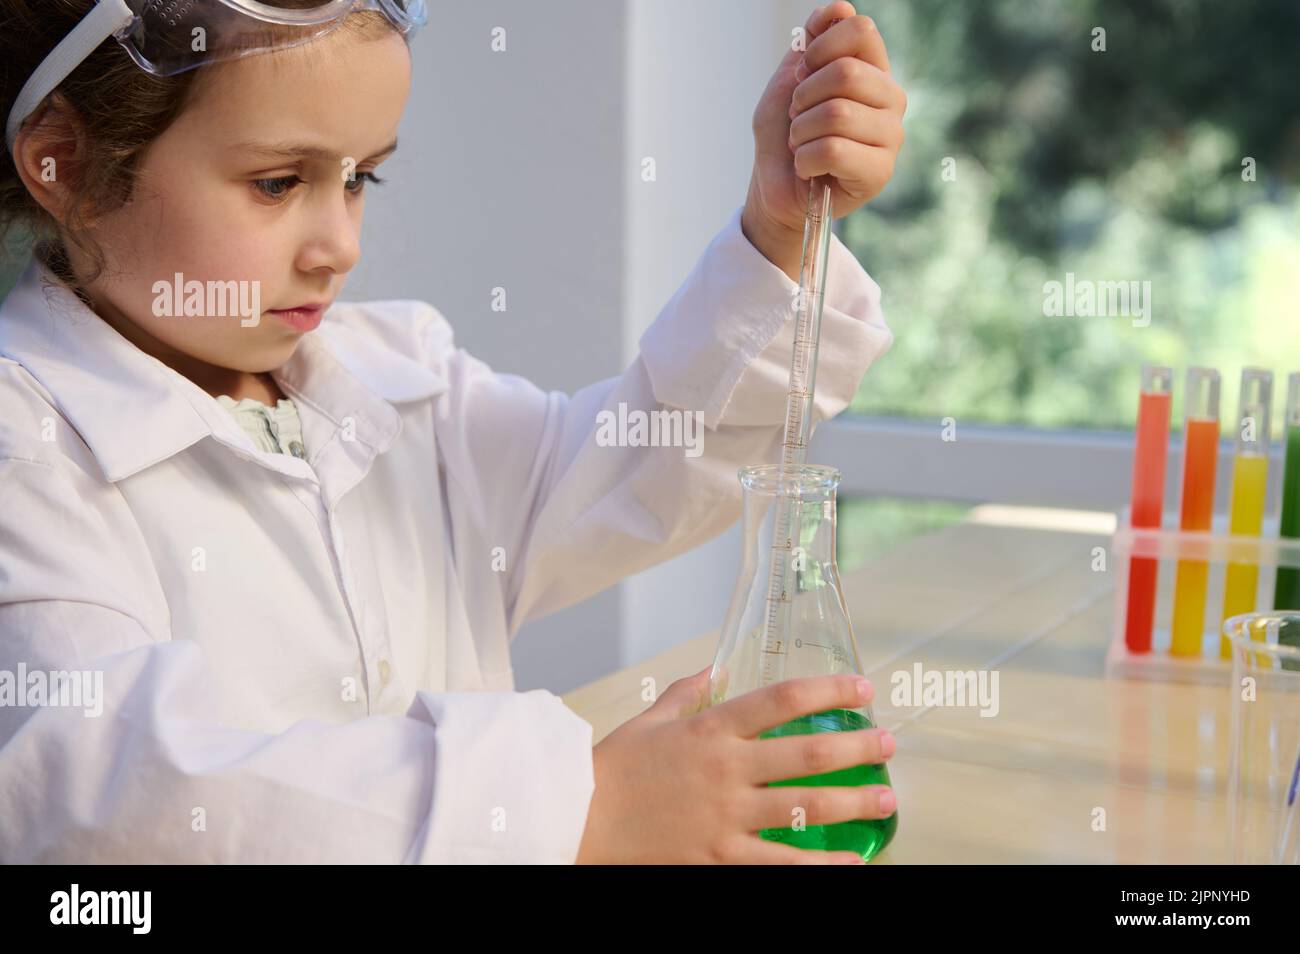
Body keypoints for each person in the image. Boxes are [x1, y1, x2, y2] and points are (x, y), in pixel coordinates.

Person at [0, 0, 906, 863]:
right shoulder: (25, 446)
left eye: (360, 178)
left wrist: (779, 234)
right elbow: (103, 801)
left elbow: (633, 466)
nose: (339, 244)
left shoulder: (402, 378)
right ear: (65, 165)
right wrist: (574, 815)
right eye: (277, 183)